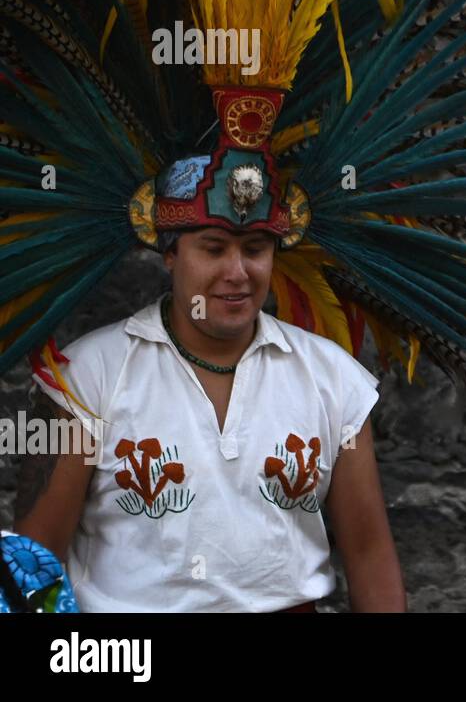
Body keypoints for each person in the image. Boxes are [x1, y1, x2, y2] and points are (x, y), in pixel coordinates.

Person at [15, 202, 405, 613]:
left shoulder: (333, 379)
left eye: (255, 249)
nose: (237, 273)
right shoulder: (85, 378)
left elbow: (368, 554)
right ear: (170, 253)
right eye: (213, 249)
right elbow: (36, 558)